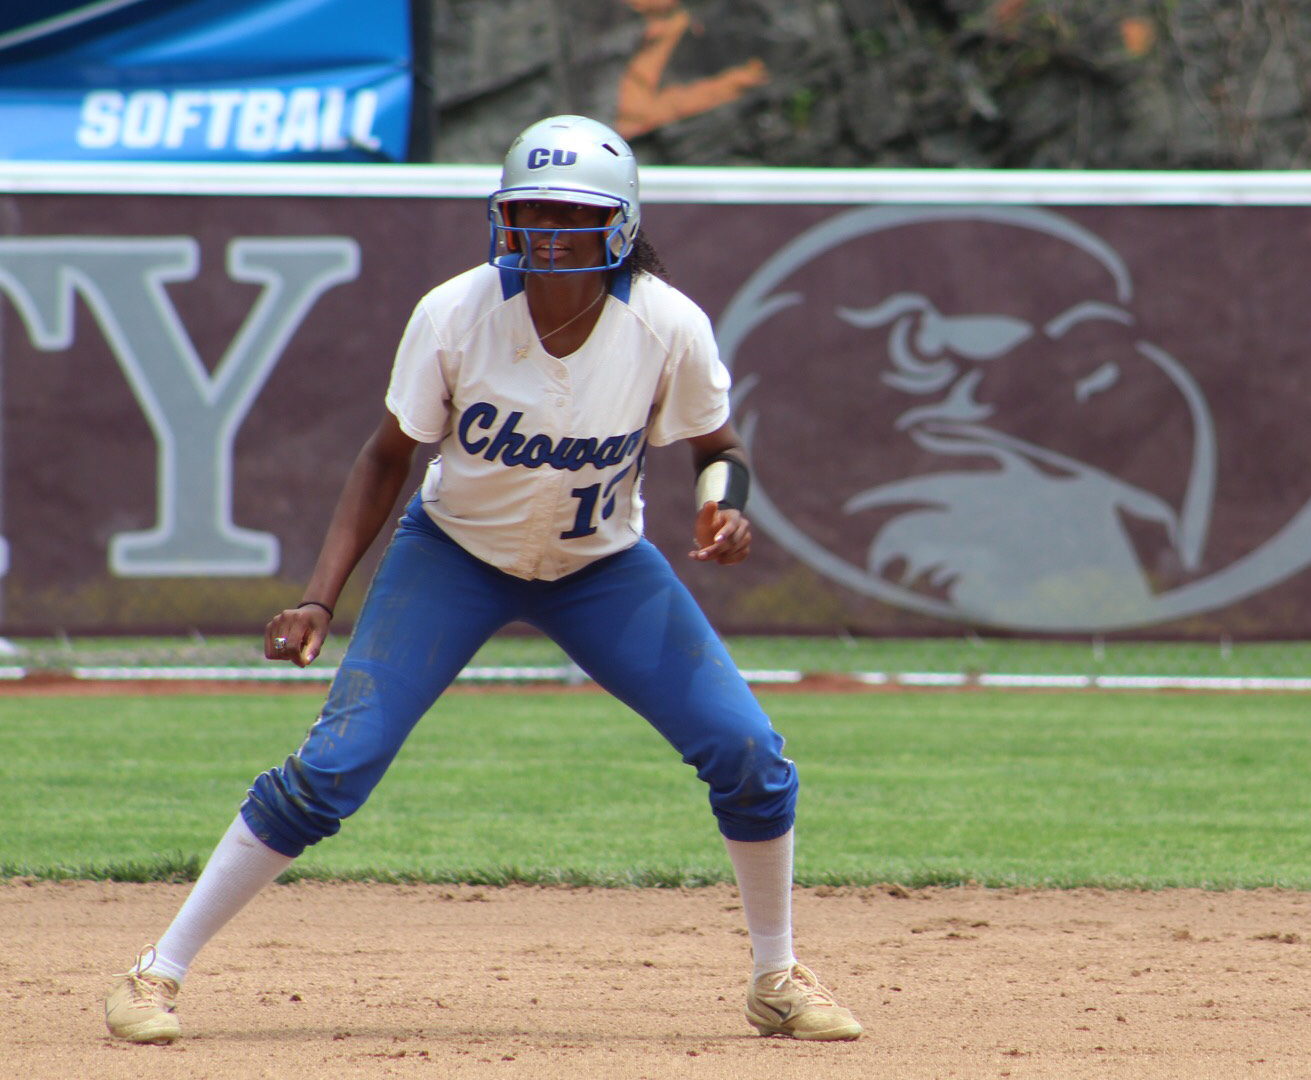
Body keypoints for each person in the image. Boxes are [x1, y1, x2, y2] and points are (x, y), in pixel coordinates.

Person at [102, 114, 862, 1045]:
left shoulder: (666, 321)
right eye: (527, 210)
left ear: (618, 224)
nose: (543, 231)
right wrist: (317, 597)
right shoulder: (458, 309)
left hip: (601, 567)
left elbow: (721, 447)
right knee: (334, 767)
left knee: (750, 752)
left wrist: (725, 503)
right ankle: (154, 974)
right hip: (453, 553)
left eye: (568, 213)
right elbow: (386, 459)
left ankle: (776, 975)